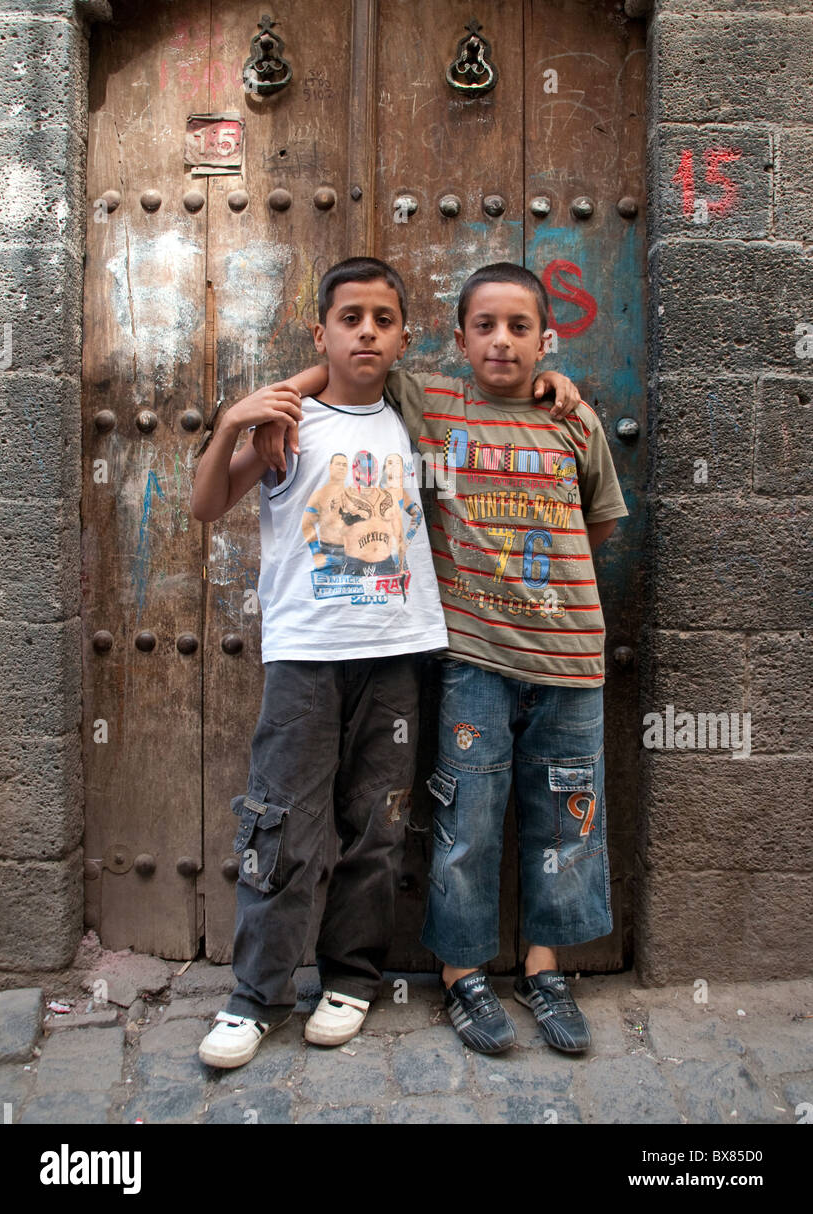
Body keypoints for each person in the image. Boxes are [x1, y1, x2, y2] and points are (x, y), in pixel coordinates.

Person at [263, 262, 626, 1058]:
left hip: (570, 661)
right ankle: (463, 974)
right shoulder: (429, 401)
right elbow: (350, 365)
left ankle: (543, 968)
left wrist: (562, 390)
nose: (501, 342)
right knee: (465, 821)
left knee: (566, 821)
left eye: (520, 328)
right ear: (456, 339)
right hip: (471, 657)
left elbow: (596, 523)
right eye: (485, 327)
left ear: (545, 339)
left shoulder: (573, 421)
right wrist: (272, 400)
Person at [189, 257, 448, 1068]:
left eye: (381, 318)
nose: (365, 331)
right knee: (281, 824)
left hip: (397, 654)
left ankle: (351, 978)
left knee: (378, 824)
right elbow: (203, 506)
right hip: (304, 658)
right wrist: (236, 419)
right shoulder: (284, 424)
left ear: (404, 335)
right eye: (348, 318)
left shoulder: (415, 412)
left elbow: (496, 393)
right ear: (321, 331)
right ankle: (255, 995)